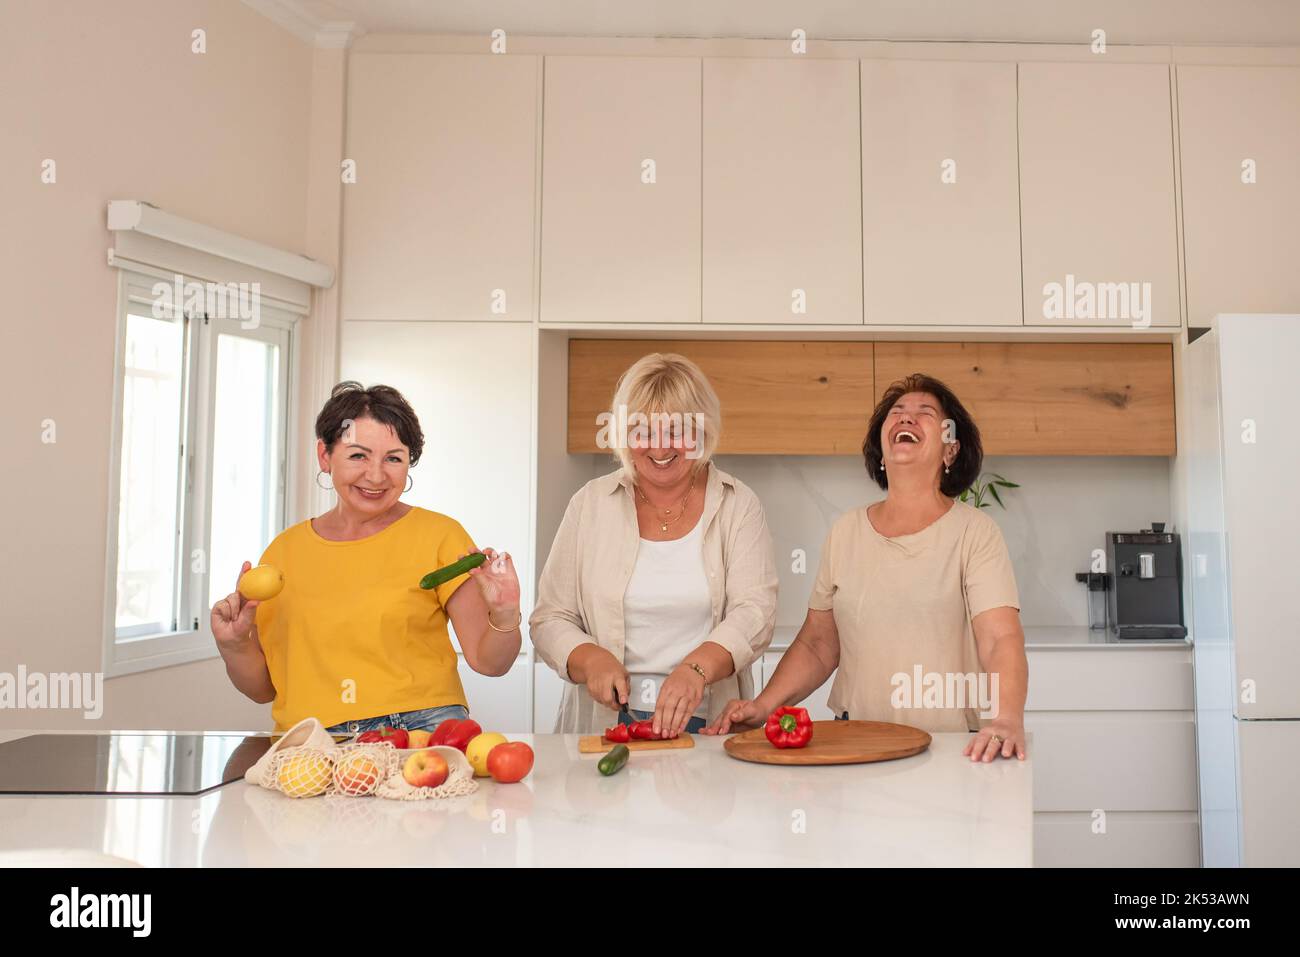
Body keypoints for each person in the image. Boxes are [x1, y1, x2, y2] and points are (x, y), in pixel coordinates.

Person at [705, 373, 1029, 761]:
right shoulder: (846, 531)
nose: (906, 418)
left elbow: (1000, 639)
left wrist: (1008, 718)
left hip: (950, 747)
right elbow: (818, 644)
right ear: (881, 445)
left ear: (951, 450)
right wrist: (763, 705)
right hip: (856, 741)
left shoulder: (975, 533)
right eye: (897, 413)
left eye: (925, 413)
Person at [210, 381, 522, 734]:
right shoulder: (283, 553)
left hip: (421, 731)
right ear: (325, 456)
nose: (376, 476)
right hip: (311, 741)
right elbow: (262, 689)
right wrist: (234, 645)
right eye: (358, 455)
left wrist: (506, 613)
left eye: (393, 459)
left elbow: (490, 663)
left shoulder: (441, 537)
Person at [531, 353, 778, 736]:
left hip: (707, 722)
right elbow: (551, 618)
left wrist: (696, 668)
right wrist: (590, 658)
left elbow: (755, 612)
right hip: (606, 724)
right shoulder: (590, 504)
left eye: (677, 429)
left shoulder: (737, 504)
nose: (660, 446)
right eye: (643, 429)